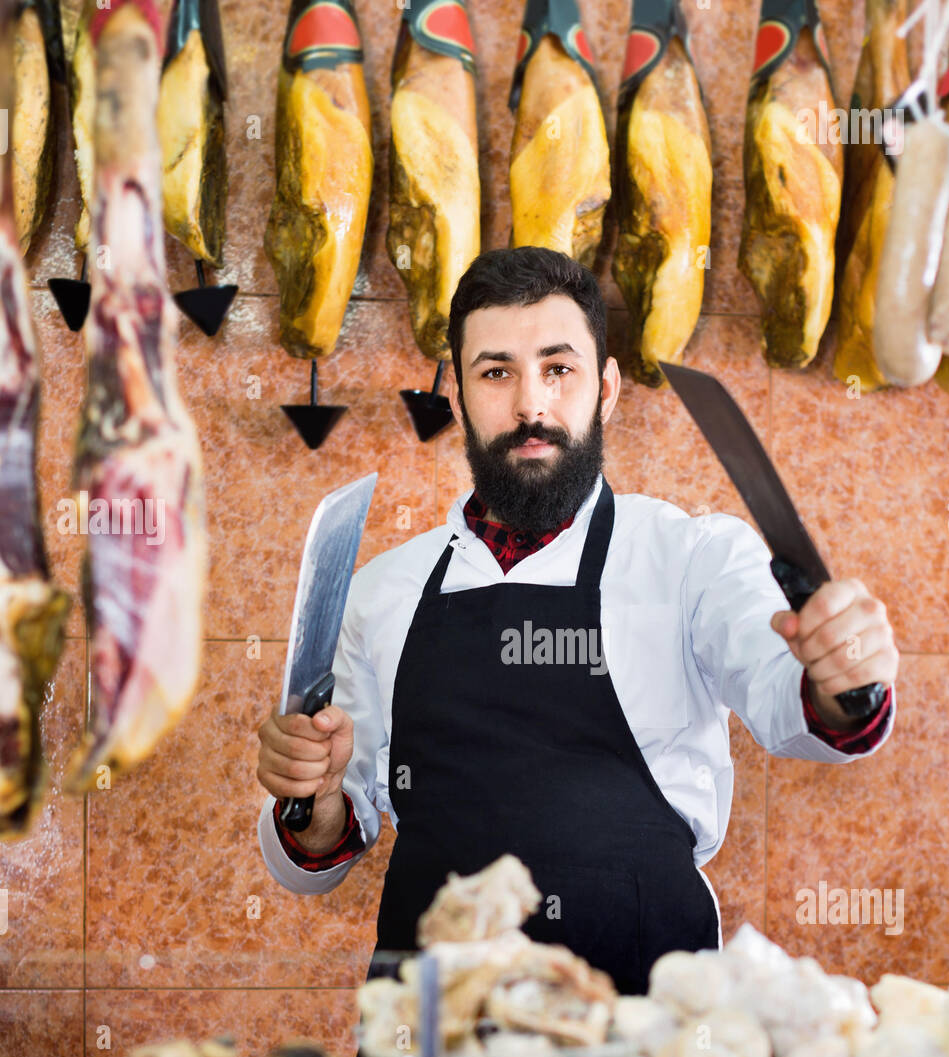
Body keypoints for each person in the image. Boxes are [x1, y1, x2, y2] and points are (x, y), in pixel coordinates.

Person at [256, 246, 898, 994]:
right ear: (459, 397)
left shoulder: (692, 556)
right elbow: (324, 841)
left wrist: (843, 678)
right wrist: (313, 795)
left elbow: (798, 706)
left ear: (608, 388)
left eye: (559, 369)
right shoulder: (381, 589)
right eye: (497, 373)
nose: (532, 405)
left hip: (646, 1036)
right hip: (433, 1047)